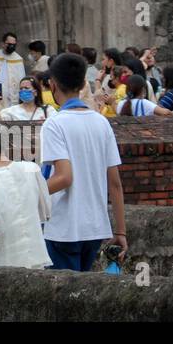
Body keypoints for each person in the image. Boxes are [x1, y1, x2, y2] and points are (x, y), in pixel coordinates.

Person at [39, 52, 127, 272]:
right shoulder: (101, 122)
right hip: (95, 228)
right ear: (83, 84)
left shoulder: (54, 124)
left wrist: (28, 191)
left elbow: (64, 177)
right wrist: (121, 232)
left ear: (52, 84)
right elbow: (115, 183)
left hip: (64, 227)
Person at [0, 32, 26, 108]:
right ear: (3, 44)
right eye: (9, 44)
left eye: (14, 45)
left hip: (12, 95)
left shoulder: (18, 59)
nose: (11, 46)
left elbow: (22, 79)